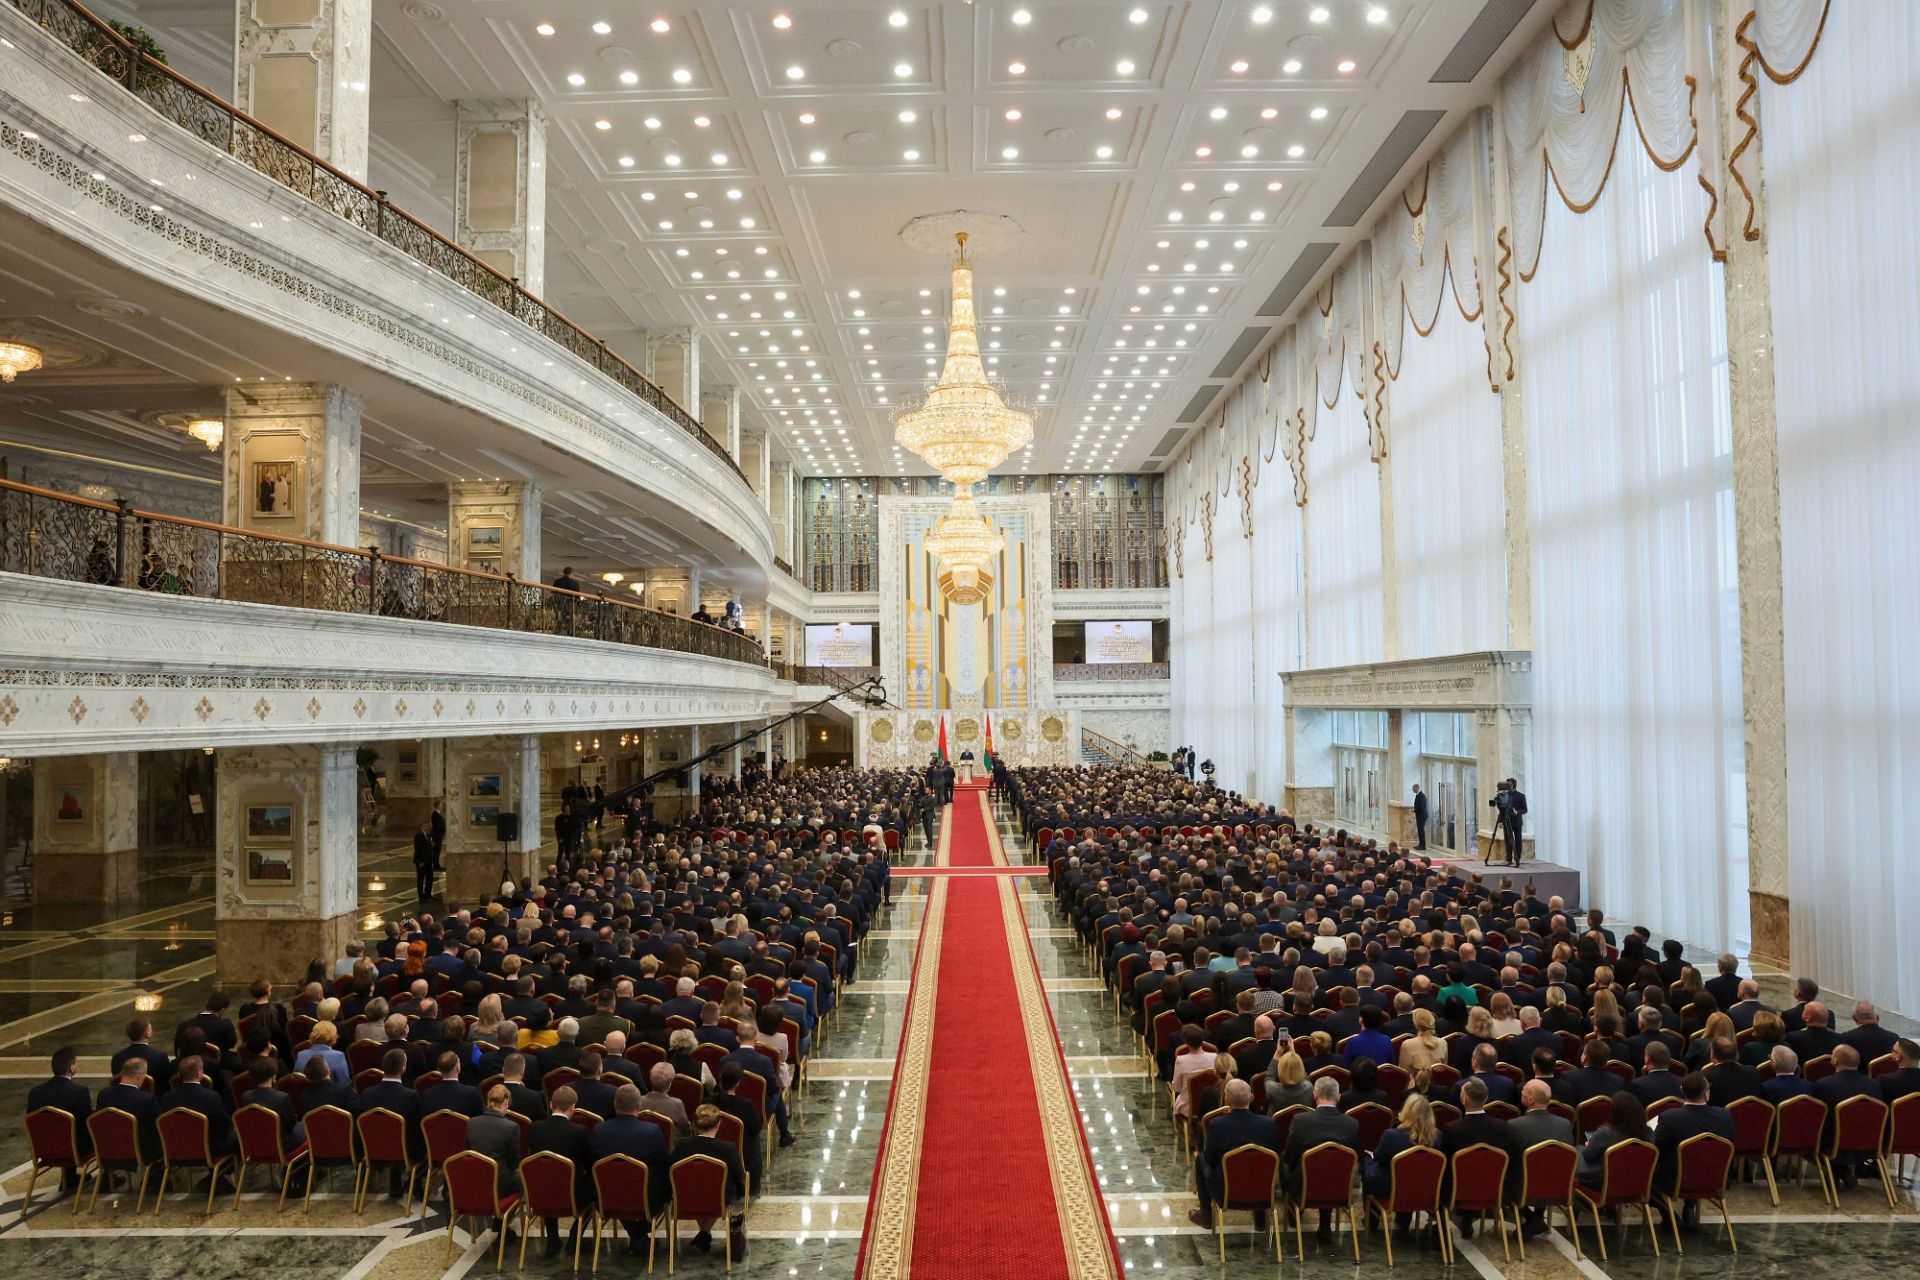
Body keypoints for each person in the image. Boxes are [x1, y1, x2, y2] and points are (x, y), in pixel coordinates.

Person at [591, 1085, 671, 1257]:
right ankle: (640, 1234)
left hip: (608, 1197)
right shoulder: (651, 1131)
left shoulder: (599, 1130)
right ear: (639, 1106)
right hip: (645, 1200)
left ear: (615, 1104)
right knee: (661, 1179)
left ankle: (637, 1235)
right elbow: (664, 1163)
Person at [1189, 1078, 1278, 1229]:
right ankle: (1260, 1217)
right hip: (1262, 1189)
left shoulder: (1217, 1125)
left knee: (1201, 1158)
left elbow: (1209, 1161)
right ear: (1251, 1098)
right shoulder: (1268, 1124)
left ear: (1227, 1099)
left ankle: (1206, 1214)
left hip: (1226, 1192)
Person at [1283, 1076, 1360, 1245]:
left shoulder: (1301, 1121)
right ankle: (1325, 1225)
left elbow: (1290, 1157)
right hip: (1340, 1187)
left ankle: (1294, 1212)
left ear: (1314, 1095)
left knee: (1286, 1165)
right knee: (1331, 1169)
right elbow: (1356, 1157)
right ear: (1339, 1097)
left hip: (1305, 1187)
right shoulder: (1352, 1124)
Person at [1652, 1072, 1733, 1231]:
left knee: (1646, 1174)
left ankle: (1668, 1214)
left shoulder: (1669, 1118)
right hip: (1716, 1178)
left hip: (1678, 1181)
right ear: (1707, 1092)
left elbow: (1655, 1148)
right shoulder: (1725, 1115)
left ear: (1681, 1090)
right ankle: (1689, 1208)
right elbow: (1731, 1140)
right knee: (1698, 1160)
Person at [676, 1104, 749, 1258]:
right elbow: (740, 1176)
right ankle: (704, 1234)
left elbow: (671, 1170)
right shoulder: (727, 1148)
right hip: (717, 1200)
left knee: (697, 1187)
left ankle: (704, 1235)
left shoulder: (682, 1145)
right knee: (713, 1189)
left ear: (694, 1124)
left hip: (686, 1199)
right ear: (718, 1124)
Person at [529, 1085, 594, 1259]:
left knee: (548, 1179)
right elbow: (589, 1164)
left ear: (551, 1105)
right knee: (595, 1186)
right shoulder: (578, 1132)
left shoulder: (535, 1128)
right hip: (571, 1195)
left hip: (540, 1193)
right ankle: (575, 1237)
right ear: (573, 1107)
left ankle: (552, 1238)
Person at [1508, 1080, 1576, 1239]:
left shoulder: (1514, 1125)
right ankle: (1538, 1217)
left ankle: (1533, 1219)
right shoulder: (1565, 1124)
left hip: (1525, 1189)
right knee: (1546, 1168)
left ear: (1530, 1099)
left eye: (1524, 1091)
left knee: (1505, 1175)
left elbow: (1509, 1159)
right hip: (1560, 1187)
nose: (1521, 1093)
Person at [26, 1047, 94, 1191]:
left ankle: (69, 1178)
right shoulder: (79, 1092)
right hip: (73, 1150)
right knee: (98, 1129)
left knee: (59, 1130)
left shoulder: (35, 1093)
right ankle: (107, 1179)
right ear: (72, 1067)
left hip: (43, 1148)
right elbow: (86, 1124)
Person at [465, 1085, 524, 1247]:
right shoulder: (511, 1127)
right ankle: (502, 1221)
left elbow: (467, 1154)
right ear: (505, 1103)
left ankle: (499, 1220)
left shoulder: (471, 1123)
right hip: (500, 1184)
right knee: (525, 1181)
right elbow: (513, 1161)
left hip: (474, 1182)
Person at [1576, 1092, 1649, 1188]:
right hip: (1635, 1181)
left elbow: (1588, 1156)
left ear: (1615, 1113)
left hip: (1603, 1182)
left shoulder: (1605, 1133)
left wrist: (1590, 1145)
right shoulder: (1648, 1132)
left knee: (1576, 1150)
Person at [413, 820, 438, 901]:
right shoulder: (418, 836)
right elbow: (417, 849)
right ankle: (421, 897)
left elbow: (430, 846)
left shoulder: (428, 835)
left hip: (428, 861)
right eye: (425, 826)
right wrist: (419, 861)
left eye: (428, 826)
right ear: (422, 827)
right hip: (421, 861)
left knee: (429, 878)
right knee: (420, 879)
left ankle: (428, 894)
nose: (427, 828)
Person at [1411, 784, 1428, 850]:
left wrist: (1415, 810)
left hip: (1422, 816)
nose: (1413, 790)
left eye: (1413, 789)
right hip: (1419, 816)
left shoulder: (1421, 796)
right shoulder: (1418, 795)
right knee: (1420, 831)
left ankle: (1423, 846)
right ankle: (1420, 844)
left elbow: (1421, 806)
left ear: (1417, 788)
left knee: (1421, 831)